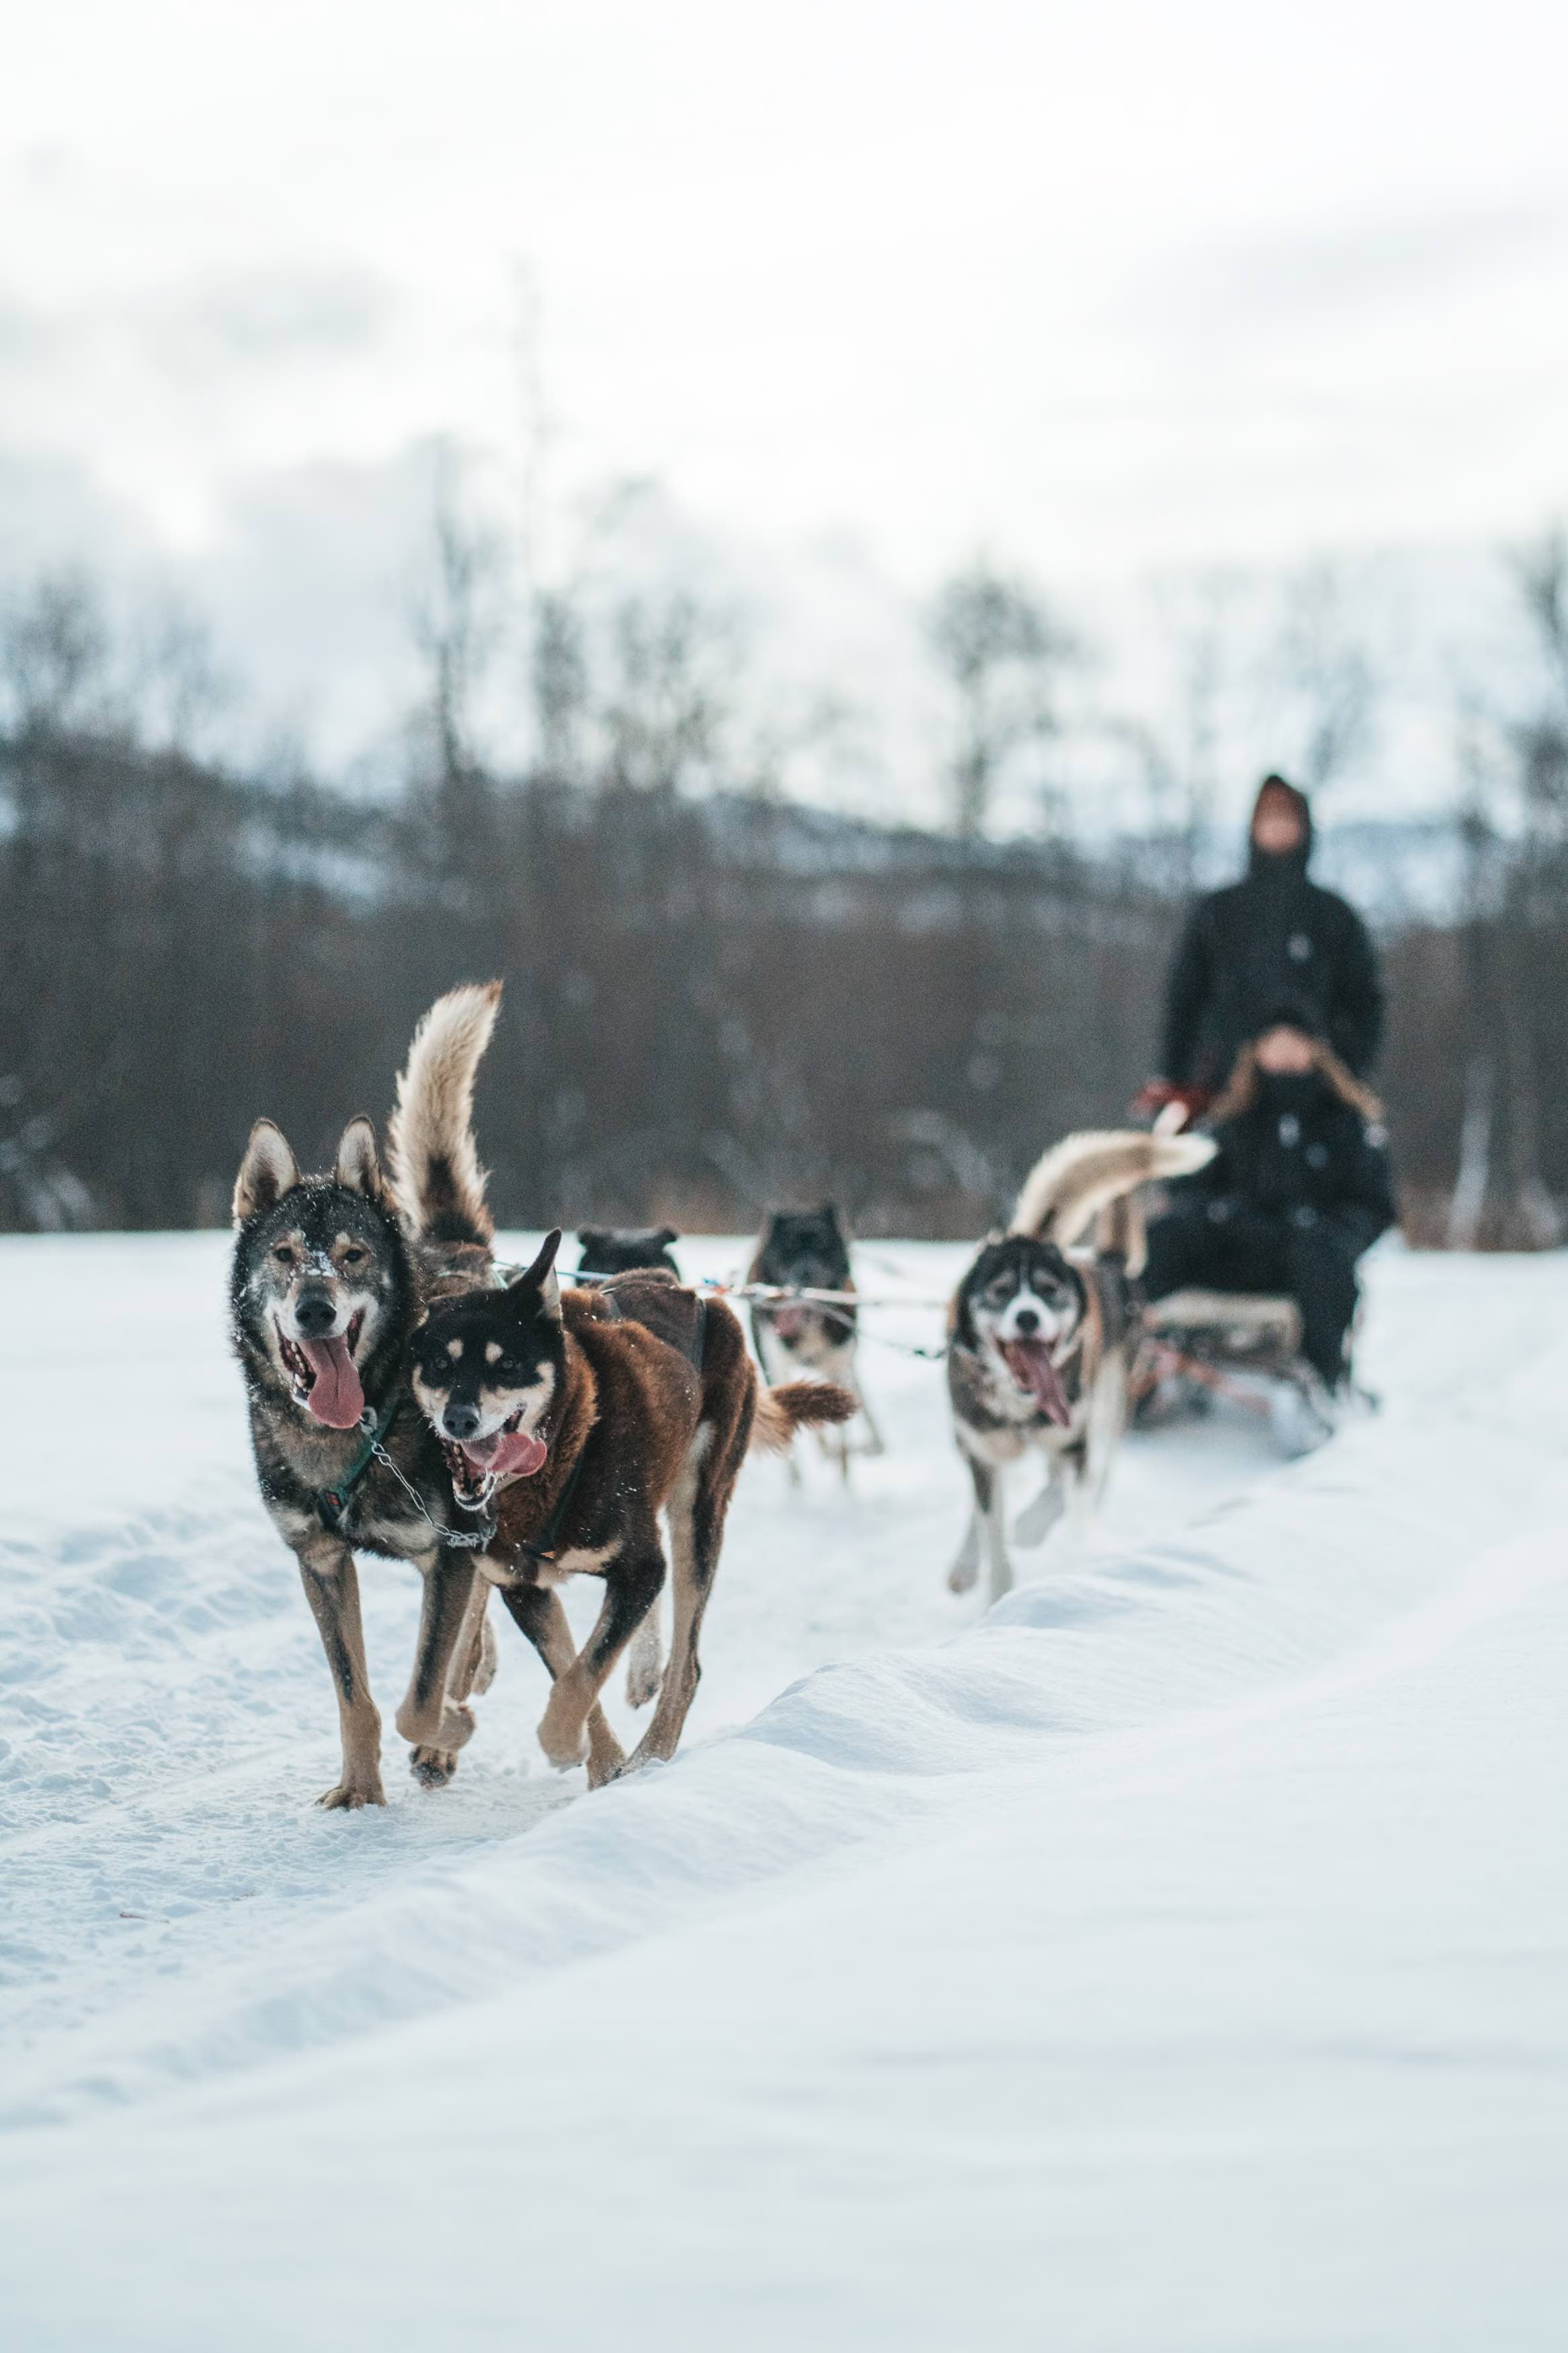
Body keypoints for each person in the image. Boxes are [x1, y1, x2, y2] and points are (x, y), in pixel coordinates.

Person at [1141, 1007, 1397, 1396]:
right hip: (1236, 1248)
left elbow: (1374, 1205)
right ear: (1256, 1051)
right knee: (1165, 1236)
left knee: (1322, 1257)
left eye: (1294, 1042)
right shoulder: (1233, 1120)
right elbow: (1188, 1188)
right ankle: (1134, 1357)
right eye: (1274, 1043)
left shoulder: (1346, 1125)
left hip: (1304, 1258)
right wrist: (1215, 1214)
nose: (1284, 1052)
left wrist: (1328, 1230)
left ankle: (1324, 1381)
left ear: (1315, 1049)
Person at [1136, 774, 1384, 1125]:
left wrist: (1330, 1060)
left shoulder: (1333, 916)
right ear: (1253, 826)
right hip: (1223, 1100)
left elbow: (1365, 1004)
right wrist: (1178, 1078)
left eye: (1287, 816)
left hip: (1320, 1105)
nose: (1278, 826)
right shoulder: (1219, 913)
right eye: (1269, 816)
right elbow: (1185, 1001)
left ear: (1304, 826)